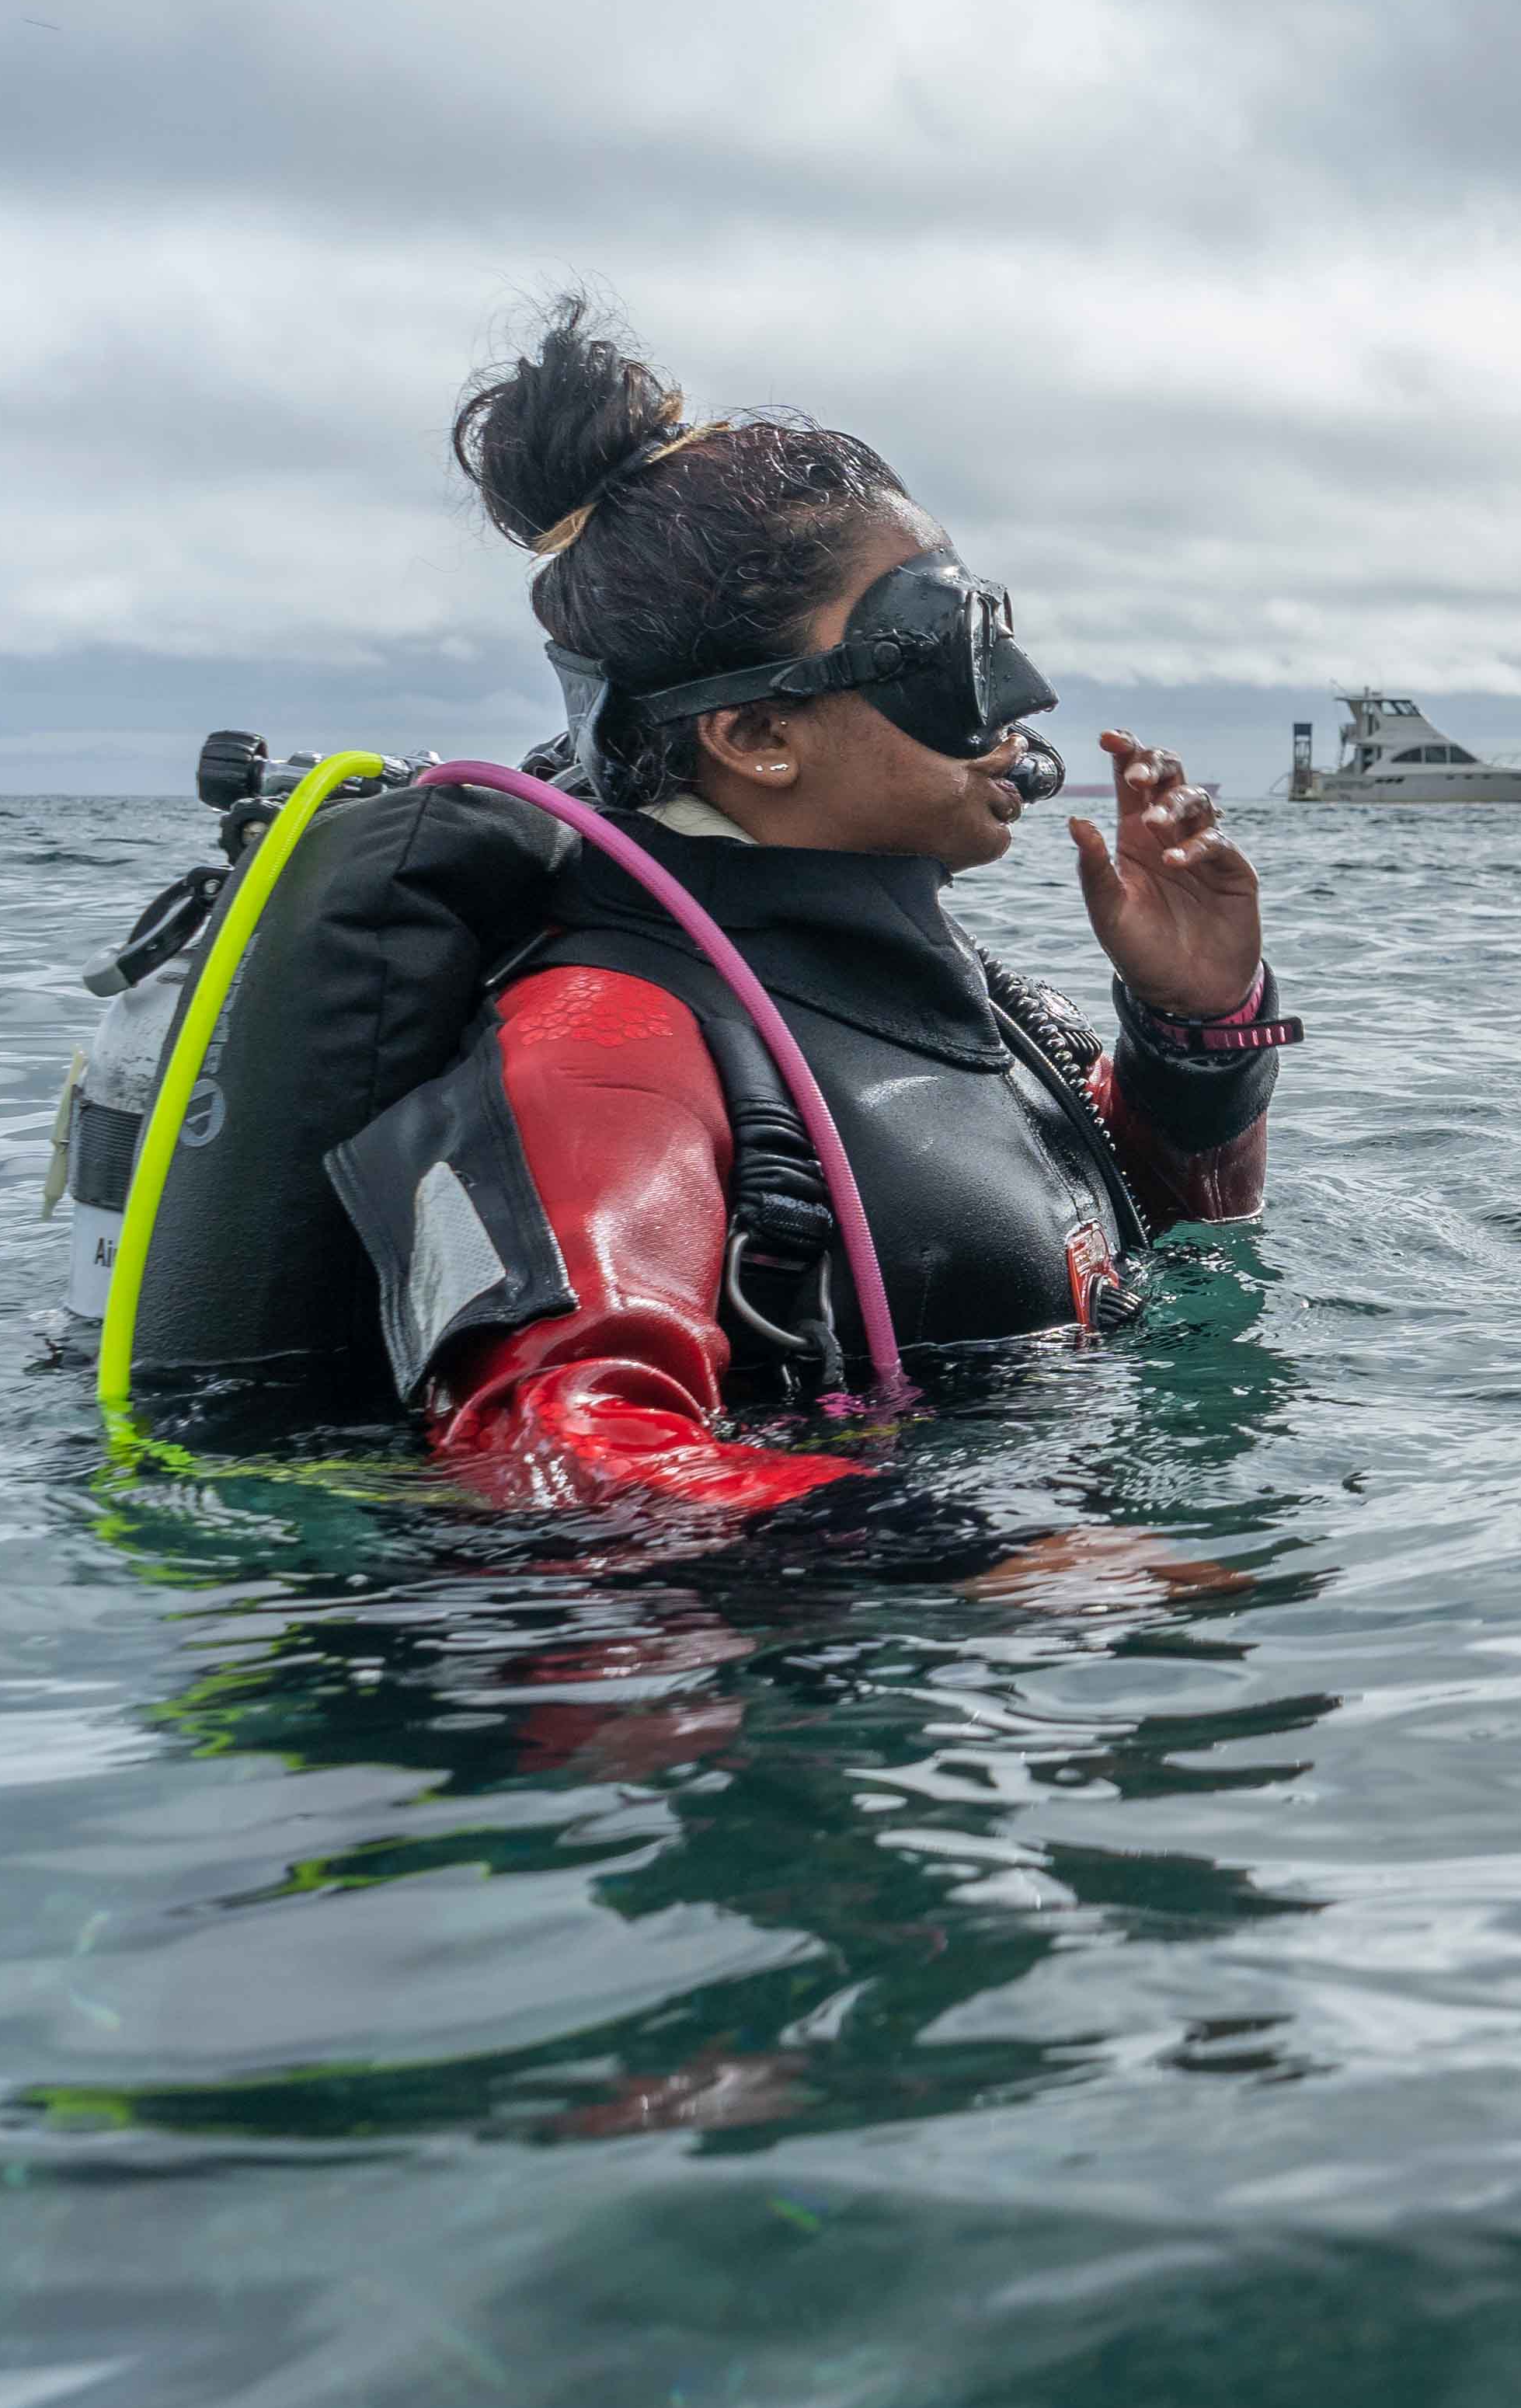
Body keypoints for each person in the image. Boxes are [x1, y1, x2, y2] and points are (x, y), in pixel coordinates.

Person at [339, 301, 1295, 1519]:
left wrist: (1193, 1026)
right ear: (756, 735)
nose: (1024, 695)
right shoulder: (608, 1036)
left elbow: (1155, 1246)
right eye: (940, 650)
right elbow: (558, 1453)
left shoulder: (956, 996)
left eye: (988, 627)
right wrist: (975, 1567)